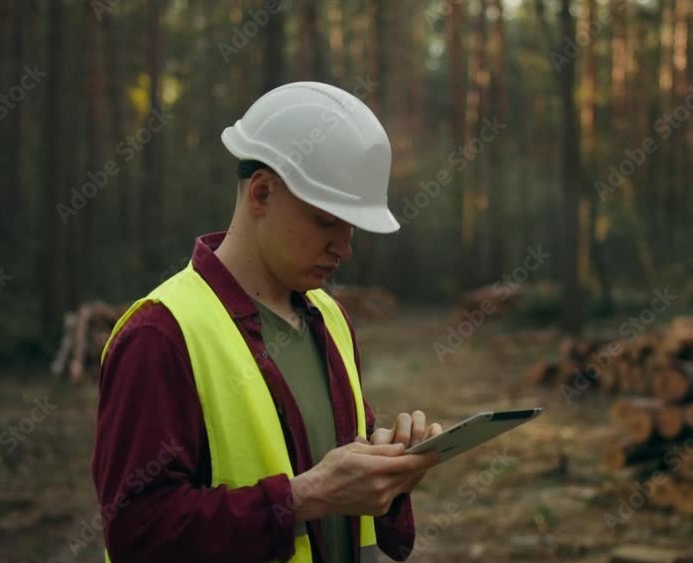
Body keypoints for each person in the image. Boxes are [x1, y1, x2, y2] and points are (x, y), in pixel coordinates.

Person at [92, 81, 443, 563]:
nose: (345, 248)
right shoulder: (161, 334)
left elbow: (343, 493)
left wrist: (386, 469)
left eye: (352, 227)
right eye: (327, 221)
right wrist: (303, 499)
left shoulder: (330, 318)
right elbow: (138, 534)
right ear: (261, 192)